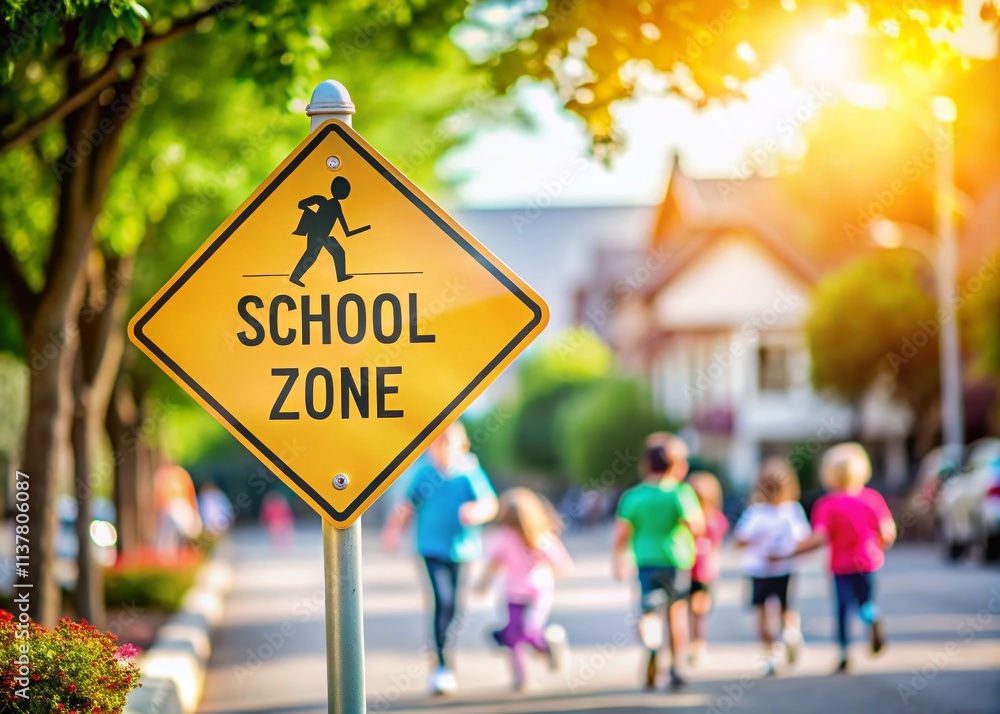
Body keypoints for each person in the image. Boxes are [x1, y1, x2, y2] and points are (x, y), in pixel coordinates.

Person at [381, 422, 498, 695]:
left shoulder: (469, 473)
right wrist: (392, 532)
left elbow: (490, 503)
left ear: (462, 446)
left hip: (462, 550)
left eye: (449, 443)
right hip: (430, 548)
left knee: (454, 606)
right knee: (441, 600)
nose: (442, 449)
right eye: (437, 443)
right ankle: (442, 666)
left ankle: (446, 652)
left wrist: (476, 511)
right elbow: (407, 506)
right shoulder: (424, 473)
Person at [778, 443, 896, 673]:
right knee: (866, 601)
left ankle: (843, 653)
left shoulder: (827, 505)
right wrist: (880, 542)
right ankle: (871, 618)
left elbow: (819, 538)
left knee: (842, 608)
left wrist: (790, 552)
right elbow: (887, 531)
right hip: (868, 562)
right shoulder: (871, 498)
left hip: (841, 566)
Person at [613, 435, 704, 690]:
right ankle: (675, 667)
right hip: (675, 560)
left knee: (649, 611)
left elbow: (621, 535)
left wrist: (617, 562)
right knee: (676, 614)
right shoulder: (679, 492)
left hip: (644, 562)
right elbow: (696, 526)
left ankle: (652, 645)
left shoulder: (633, 496)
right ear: (676, 465)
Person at [477, 488, 573, 691]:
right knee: (513, 636)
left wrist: (554, 568)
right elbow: (494, 563)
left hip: (537, 593)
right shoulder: (504, 537)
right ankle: (521, 676)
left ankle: (548, 647)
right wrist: (483, 584)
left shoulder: (540, 537)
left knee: (529, 630)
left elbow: (561, 562)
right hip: (513, 593)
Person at [734, 457, 810, 676]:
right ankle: (790, 634)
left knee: (761, 613)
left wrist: (755, 539)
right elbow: (802, 537)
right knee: (787, 608)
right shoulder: (792, 510)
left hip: (759, 570)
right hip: (783, 568)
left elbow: (739, 540)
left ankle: (769, 654)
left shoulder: (755, 512)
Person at [290, 176, 370, 285]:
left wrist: (366, 228)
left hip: (321, 235)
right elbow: (301, 204)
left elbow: (346, 231)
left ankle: (341, 276)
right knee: (312, 256)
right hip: (318, 235)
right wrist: (313, 207)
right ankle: (295, 277)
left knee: (336, 252)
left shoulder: (328, 203)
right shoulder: (325, 201)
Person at [686, 471, 729, 666]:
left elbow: (715, 547)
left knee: (699, 611)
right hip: (692, 570)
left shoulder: (714, 519)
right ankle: (694, 645)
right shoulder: (691, 518)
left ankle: (697, 645)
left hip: (704, 572)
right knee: (694, 610)